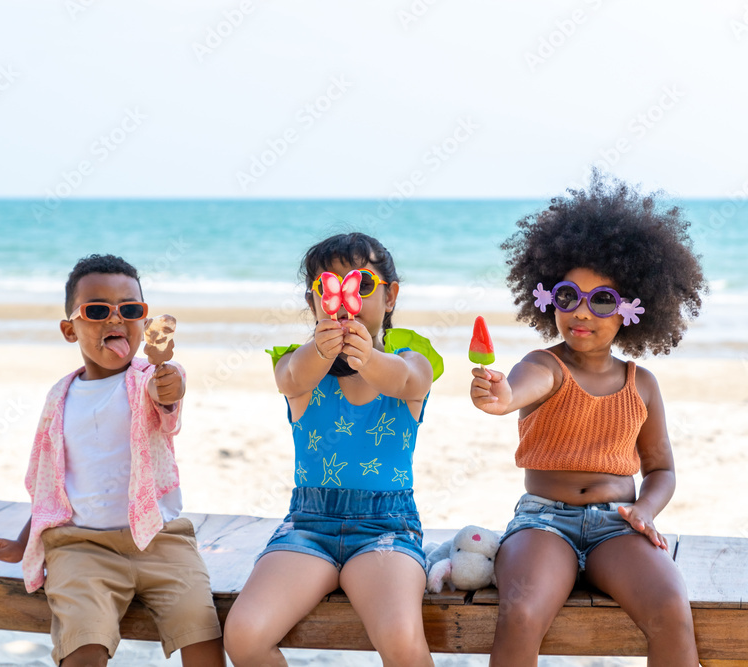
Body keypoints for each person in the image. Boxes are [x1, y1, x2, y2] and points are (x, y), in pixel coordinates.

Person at [471, 172, 706, 666]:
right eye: (566, 296)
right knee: (520, 611)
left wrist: (645, 511)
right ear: (547, 300)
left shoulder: (642, 385)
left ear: (631, 310)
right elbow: (519, 389)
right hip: (543, 523)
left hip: (617, 525)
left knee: (671, 608)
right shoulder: (542, 365)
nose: (582, 312)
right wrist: (501, 396)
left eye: (602, 300)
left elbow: (661, 469)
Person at [0, 254, 225, 667]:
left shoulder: (148, 380)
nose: (115, 319)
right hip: (82, 547)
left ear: (144, 321)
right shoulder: (60, 398)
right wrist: (21, 543)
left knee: (200, 629)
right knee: (83, 643)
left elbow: (169, 396)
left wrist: (170, 384)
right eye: (98, 311)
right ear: (70, 329)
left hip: (161, 541)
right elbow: (54, 487)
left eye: (130, 310)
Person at [224, 233, 441, 667]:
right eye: (329, 287)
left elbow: (404, 382)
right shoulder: (297, 365)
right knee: (244, 635)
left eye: (362, 285)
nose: (346, 299)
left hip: (388, 527)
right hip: (309, 525)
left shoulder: (410, 361)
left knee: (400, 639)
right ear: (314, 303)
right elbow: (291, 380)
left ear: (391, 295)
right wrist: (323, 350)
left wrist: (366, 356)